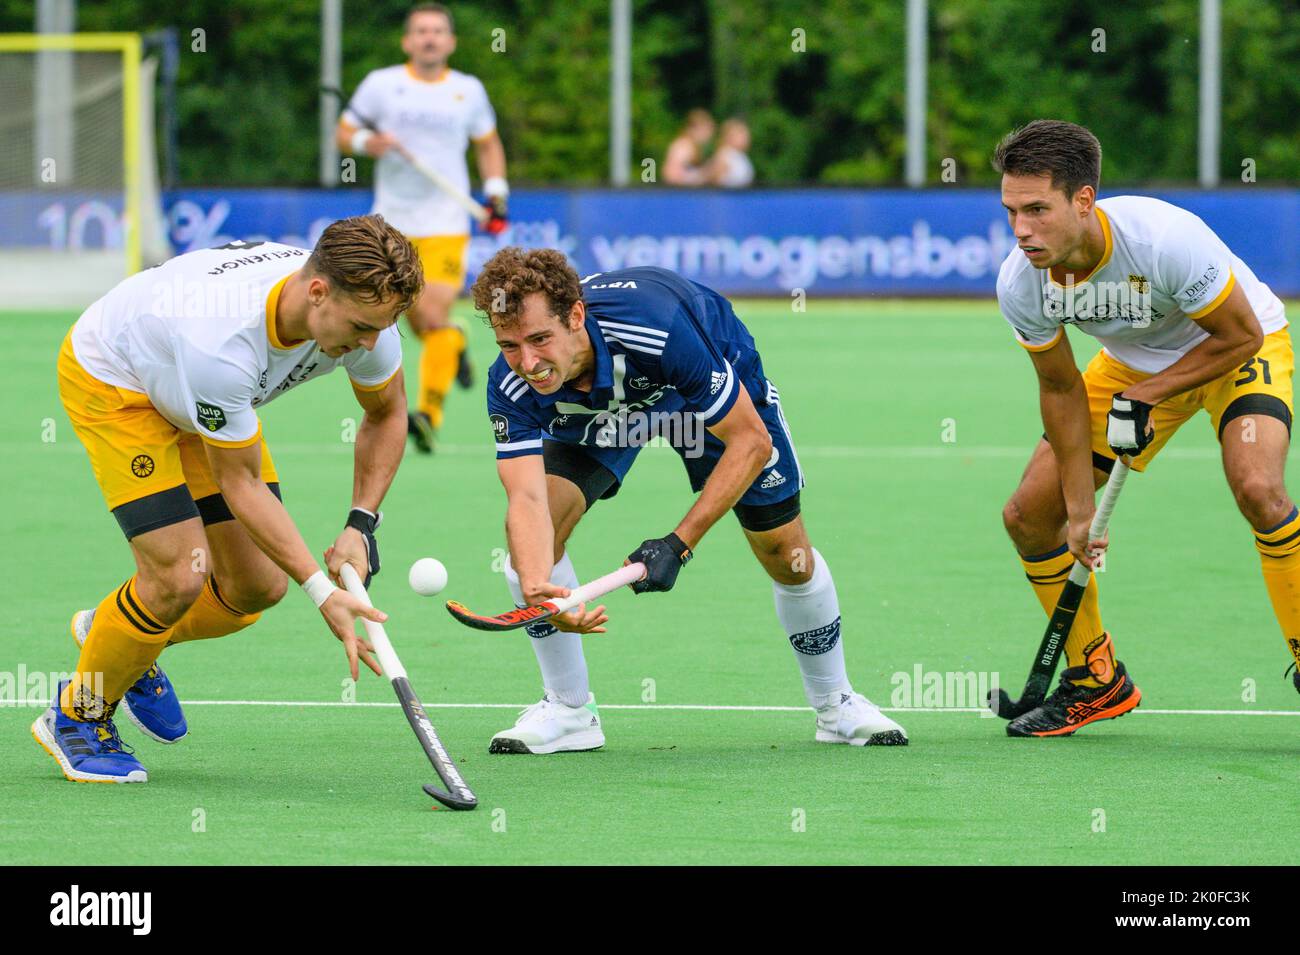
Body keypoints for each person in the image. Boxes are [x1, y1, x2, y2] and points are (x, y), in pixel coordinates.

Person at [34, 214, 424, 783]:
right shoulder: (223, 342)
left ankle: (118, 637)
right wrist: (321, 592)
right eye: (362, 327)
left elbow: (386, 414)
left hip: (197, 391)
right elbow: (239, 483)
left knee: (256, 586)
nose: (370, 343)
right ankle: (77, 715)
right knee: (176, 576)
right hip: (118, 381)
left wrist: (360, 524)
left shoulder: (369, 319)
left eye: (381, 329)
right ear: (317, 291)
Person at [471, 247, 908, 754]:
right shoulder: (512, 384)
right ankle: (569, 710)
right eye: (509, 345)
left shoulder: (655, 326)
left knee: (786, 555)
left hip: (700, 386)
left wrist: (677, 544)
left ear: (575, 316)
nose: (528, 363)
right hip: (596, 412)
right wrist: (537, 591)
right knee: (535, 540)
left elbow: (750, 442)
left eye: (540, 339)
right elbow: (525, 500)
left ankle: (836, 704)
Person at [994, 119, 1298, 737]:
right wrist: (1079, 512)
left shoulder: (1161, 240)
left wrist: (1150, 393)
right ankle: (1095, 677)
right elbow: (1060, 388)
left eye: (1037, 210)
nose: (1022, 230)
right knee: (1030, 515)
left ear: (1084, 201)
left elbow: (1238, 336)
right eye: (1011, 211)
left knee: (1258, 489)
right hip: (1131, 366)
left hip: (1238, 345)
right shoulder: (1023, 282)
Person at [337, 2, 509, 454]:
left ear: (450, 42)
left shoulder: (467, 90)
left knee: (431, 317)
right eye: (421, 31)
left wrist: (496, 192)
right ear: (407, 41)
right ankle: (454, 343)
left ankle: (429, 414)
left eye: (437, 31)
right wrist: (367, 142)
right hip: (390, 225)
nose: (429, 37)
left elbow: (488, 143)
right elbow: (343, 133)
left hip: (447, 224)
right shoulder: (382, 85)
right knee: (404, 318)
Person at [662, 109, 715, 186]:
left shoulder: (693, 147)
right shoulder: (683, 146)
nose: (709, 135)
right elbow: (670, 174)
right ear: (693, 129)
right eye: (706, 129)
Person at [707, 118, 754, 188]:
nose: (747, 138)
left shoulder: (740, 155)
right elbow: (714, 180)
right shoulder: (724, 155)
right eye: (742, 135)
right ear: (729, 137)